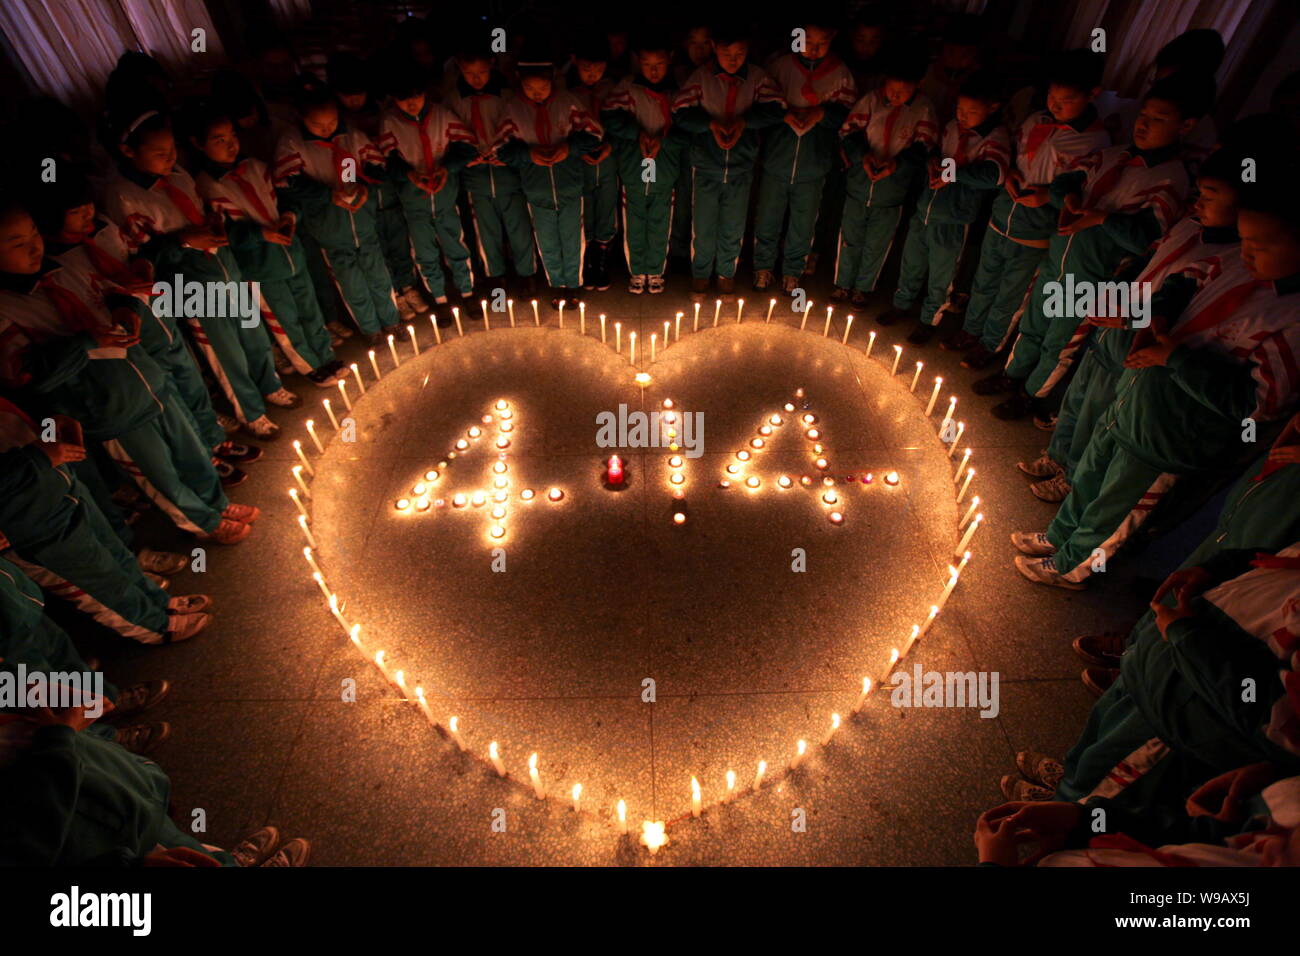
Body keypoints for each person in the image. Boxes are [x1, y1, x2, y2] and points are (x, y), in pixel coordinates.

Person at [1013, 181, 1300, 590]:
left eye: (1262, 244)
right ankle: (1060, 537)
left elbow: (1257, 404)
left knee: (1115, 505)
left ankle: (1075, 567)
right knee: (1093, 476)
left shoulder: (1292, 322)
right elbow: (1180, 285)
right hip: (1134, 399)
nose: (1247, 250)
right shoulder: (1234, 262)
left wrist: (1175, 357)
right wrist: (1155, 319)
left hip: (1169, 434)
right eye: (1245, 238)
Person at [0, 201, 253, 545]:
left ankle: (217, 503)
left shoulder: (60, 270)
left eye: (34, 236)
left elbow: (113, 293)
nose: (34, 247)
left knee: (189, 448)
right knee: (160, 472)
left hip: (145, 376)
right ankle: (203, 522)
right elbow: (26, 375)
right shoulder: (7, 310)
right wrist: (86, 342)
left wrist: (128, 309)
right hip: (108, 407)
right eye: (17, 243)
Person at [1021, 147, 1244, 503]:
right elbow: (1147, 261)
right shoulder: (1189, 226)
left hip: (1139, 336)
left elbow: (1183, 314)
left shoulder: (1233, 260)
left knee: (1099, 407)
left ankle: (1073, 475)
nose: (1197, 204)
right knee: (1081, 394)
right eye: (1199, 195)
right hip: (1117, 319)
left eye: (1210, 198)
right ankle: (1057, 454)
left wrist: (1129, 316)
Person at [992, 77, 1200, 425]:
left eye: (1159, 118)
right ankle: (1011, 375)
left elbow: (1146, 238)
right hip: (1059, 259)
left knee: (1060, 342)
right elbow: (1064, 183)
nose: (1144, 123)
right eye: (1143, 115)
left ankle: (1031, 395)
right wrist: (1067, 197)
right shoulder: (1111, 154)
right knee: (1034, 322)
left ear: (1186, 126)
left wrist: (1103, 218)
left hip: (1092, 277)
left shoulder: (1170, 179)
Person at [102, 111, 297, 441]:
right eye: (159, 153)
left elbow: (199, 212)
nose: (170, 158)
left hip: (225, 267)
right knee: (226, 352)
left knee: (254, 336)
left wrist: (212, 226)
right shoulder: (124, 197)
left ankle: (270, 385)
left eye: (172, 149)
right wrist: (183, 241)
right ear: (128, 152)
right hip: (190, 284)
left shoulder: (178, 175)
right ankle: (250, 411)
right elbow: (138, 259)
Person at [956, 50, 1110, 371]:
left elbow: (1082, 192)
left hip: (1036, 232)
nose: (1055, 104)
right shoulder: (1036, 119)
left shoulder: (1094, 141)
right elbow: (1013, 155)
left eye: (1066, 100)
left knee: (1010, 295)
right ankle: (970, 331)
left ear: (1092, 94)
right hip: (1002, 217)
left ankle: (990, 344)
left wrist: (1049, 197)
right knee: (984, 280)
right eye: (1052, 95)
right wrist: (1010, 172)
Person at [191, 110, 348, 390]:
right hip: (261, 266)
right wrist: (261, 234)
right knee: (286, 319)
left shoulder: (256, 167)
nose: (230, 145)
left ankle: (326, 355)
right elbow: (223, 233)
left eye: (233, 137)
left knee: (309, 309)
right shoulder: (207, 187)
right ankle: (309, 364)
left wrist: (289, 216)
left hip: (292, 254)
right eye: (219, 140)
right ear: (198, 144)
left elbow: (287, 198)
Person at [881, 71, 1009, 347]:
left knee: (942, 275)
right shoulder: (952, 126)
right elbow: (936, 150)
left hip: (954, 219)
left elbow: (994, 175)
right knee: (911, 263)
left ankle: (930, 320)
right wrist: (933, 161)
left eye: (971, 111)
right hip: (925, 209)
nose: (963, 116)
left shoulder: (994, 137)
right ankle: (900, 305)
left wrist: (952, 173)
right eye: (960, 109)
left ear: (993, 107)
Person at [273, 84, 403, 346]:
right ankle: (370, 328)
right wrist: (327, 195)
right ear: (302, 118)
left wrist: (365, 186)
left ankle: (392, 320)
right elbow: (287, 181)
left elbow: (377, 164)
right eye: (318, 125)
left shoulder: (352, 137)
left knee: (379, 275)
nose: (327, 129)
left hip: (363, 222)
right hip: (330, 228)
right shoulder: (293, 144)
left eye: (332, 122)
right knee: (351, 283)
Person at [672, 25, 785, 302]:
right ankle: (700, 274)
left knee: (733, 224)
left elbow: (777, 108)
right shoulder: (701, 77)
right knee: (704, 224)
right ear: (713, 47)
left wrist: (745, 122)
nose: (733, 60)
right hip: (706, 164)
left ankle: (726, 273)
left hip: (741, 163)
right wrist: (710, 124)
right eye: (726, 53)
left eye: (740, 53)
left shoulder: (757, 77)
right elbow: (679, 112)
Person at [752, 15, 856, 295]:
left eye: (821, 43)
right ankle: (762, 267)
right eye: (808, 41)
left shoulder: (840, 73)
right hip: (777, 158)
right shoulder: (779, 66)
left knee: (804, 221)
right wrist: (783, 115)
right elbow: (761, 105)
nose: (813, 49)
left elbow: (848, 114)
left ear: (832, 38)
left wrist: (821, 114)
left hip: (814, 163)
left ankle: (792, 272)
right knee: (768, 217)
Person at [493, 58, 604, 309]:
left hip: (569, 184)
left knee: (573, 237)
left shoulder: (567, 102)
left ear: (552, 82)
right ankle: (556, 283)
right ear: (520, 83)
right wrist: (528, 155)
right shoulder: (514, 108)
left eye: (542, 88)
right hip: (537, 187)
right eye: (530, 89)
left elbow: (595, 134)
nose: (537, 94)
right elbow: (501, 148)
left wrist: (568, 148)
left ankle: (573, 284)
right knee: (546, 240)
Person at [832, 47, 938, 307]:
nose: (895, 96)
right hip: (859, 185)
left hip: (891, 193)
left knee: (876, 244)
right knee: (849, 238)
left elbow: (925, 145)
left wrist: (897, 165)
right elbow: (849, 131)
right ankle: (842, 284)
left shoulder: (923, 108)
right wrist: (863, 156)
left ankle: (863, 287)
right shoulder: (871, 100)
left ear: (919, 85)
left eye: (903, 92)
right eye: (892, 90)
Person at [377, 66, 478, 311]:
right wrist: (409, 174)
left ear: (425, 93)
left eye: (416, 96)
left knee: (455, 245)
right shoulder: (390, 122)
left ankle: (467, 291)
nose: (411, 103)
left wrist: (447, 168)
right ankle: (440, 298)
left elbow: (467, 147)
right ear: (393, 99)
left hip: (445, 198)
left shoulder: (442, 115)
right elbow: (384, 161)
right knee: (424, 252)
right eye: (403, 98)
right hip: (414, 202)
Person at [602, 31, 685, 295]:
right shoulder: (628, 87)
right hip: (635, 166)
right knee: (635, 221)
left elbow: (689, 126)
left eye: (659, 64)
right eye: (647, 65)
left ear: (669, 60)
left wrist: (664, 140)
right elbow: (610, 117)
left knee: (661, 221)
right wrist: (636, 134)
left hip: (664, 167)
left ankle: (655, 270)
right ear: (638, 61)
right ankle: (637, 269)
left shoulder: (678, 89)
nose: (653, 71)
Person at [566, 37, 618, 292]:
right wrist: (577, 151)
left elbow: (620, 123)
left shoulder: (612, 89)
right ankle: (586, 263)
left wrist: (611, 146)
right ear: (575, 62)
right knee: (584, 210)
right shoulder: (565, 91)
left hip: (608, 161)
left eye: (598, 70)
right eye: (586, 69)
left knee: (607, 210)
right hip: (579, 164)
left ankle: (601, 262)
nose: (592, 75)